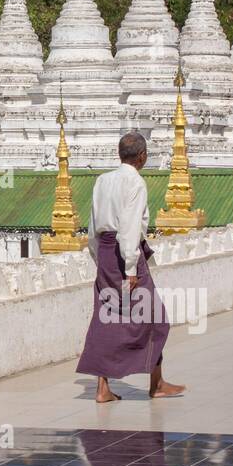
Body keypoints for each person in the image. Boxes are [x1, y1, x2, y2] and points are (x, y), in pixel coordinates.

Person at [76, 131, 186, 403]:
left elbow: (92, 226)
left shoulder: (102, 181)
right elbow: (129, 227)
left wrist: (99, 259)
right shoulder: (135, 183)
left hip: (104, 251)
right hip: (125, 255)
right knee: (157, 318)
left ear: (119, 154)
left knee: (105, 317)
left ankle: (103, 388)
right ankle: (156, 383)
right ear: (142, 157)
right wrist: (130, 269)